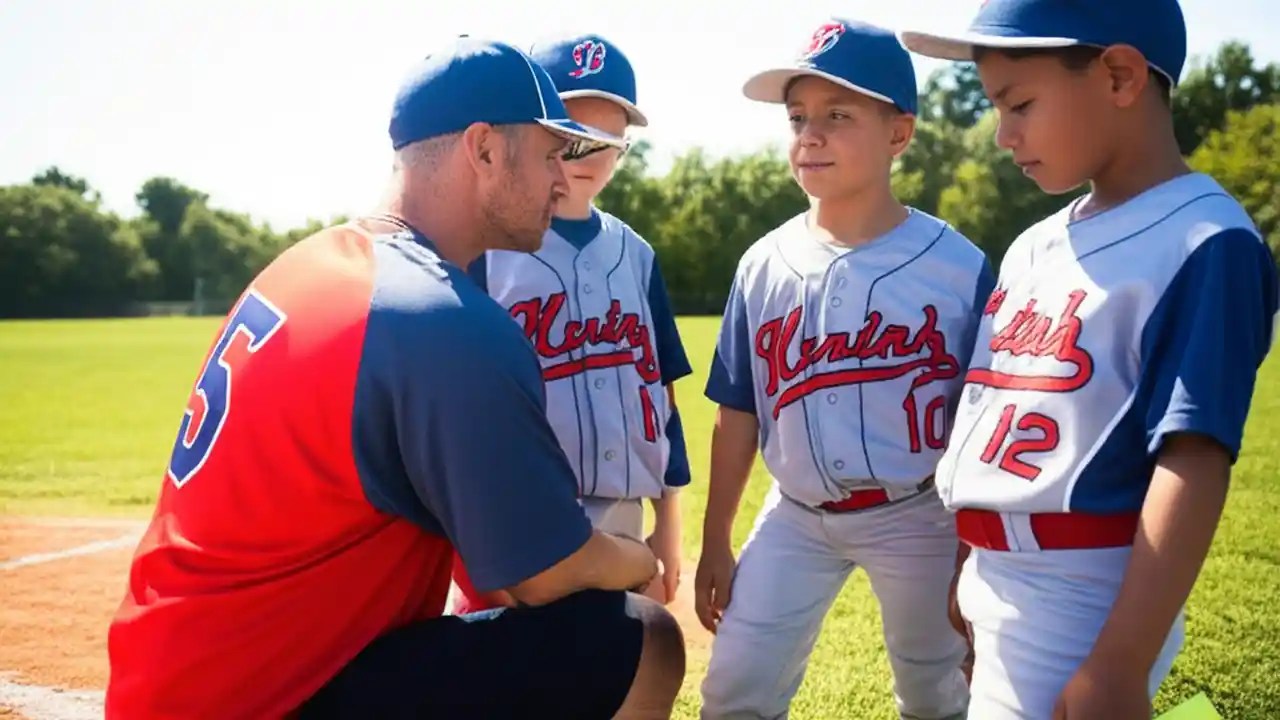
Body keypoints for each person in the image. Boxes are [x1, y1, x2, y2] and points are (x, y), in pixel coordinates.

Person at [104, 36, 686, 720]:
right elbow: (547, 573)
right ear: (485, 149)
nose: (563, 178)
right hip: (266, 695)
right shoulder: (440, 315)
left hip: (185, 676)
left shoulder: (316, 263)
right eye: (550, 153)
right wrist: (637, 559)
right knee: (645, 638)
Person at [900, 1, 1280, 717]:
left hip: (1085, 586)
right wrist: (970, 562)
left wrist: (1121, 659)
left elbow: (1194, 456)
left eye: (1019, 104)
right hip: (1000, 570)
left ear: (1120, 75)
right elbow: (989, 415)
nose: (1002, 135)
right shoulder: (1032, 244)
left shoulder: (1206, 239)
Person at [694, 19, 992, 720]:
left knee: (936, 689)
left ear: (900, 132)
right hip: (795, 513)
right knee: (736, 683)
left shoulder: (956, 266)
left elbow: (986, 420)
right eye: (798, 118)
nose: (811, 135)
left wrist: (976, 548)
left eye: (838, 115)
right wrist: (715, 541)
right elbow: (737, 411)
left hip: (917, 511)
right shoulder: (763, 263)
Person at [449, 31, 693, 616]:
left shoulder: (636, 255)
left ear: (626, 146)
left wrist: (670, 524)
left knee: (617, 666)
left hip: (624, 509)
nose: (584, 158)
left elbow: (661, 398)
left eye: (603, 140)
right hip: (522, 507)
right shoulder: (487, 252)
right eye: (566, 138)